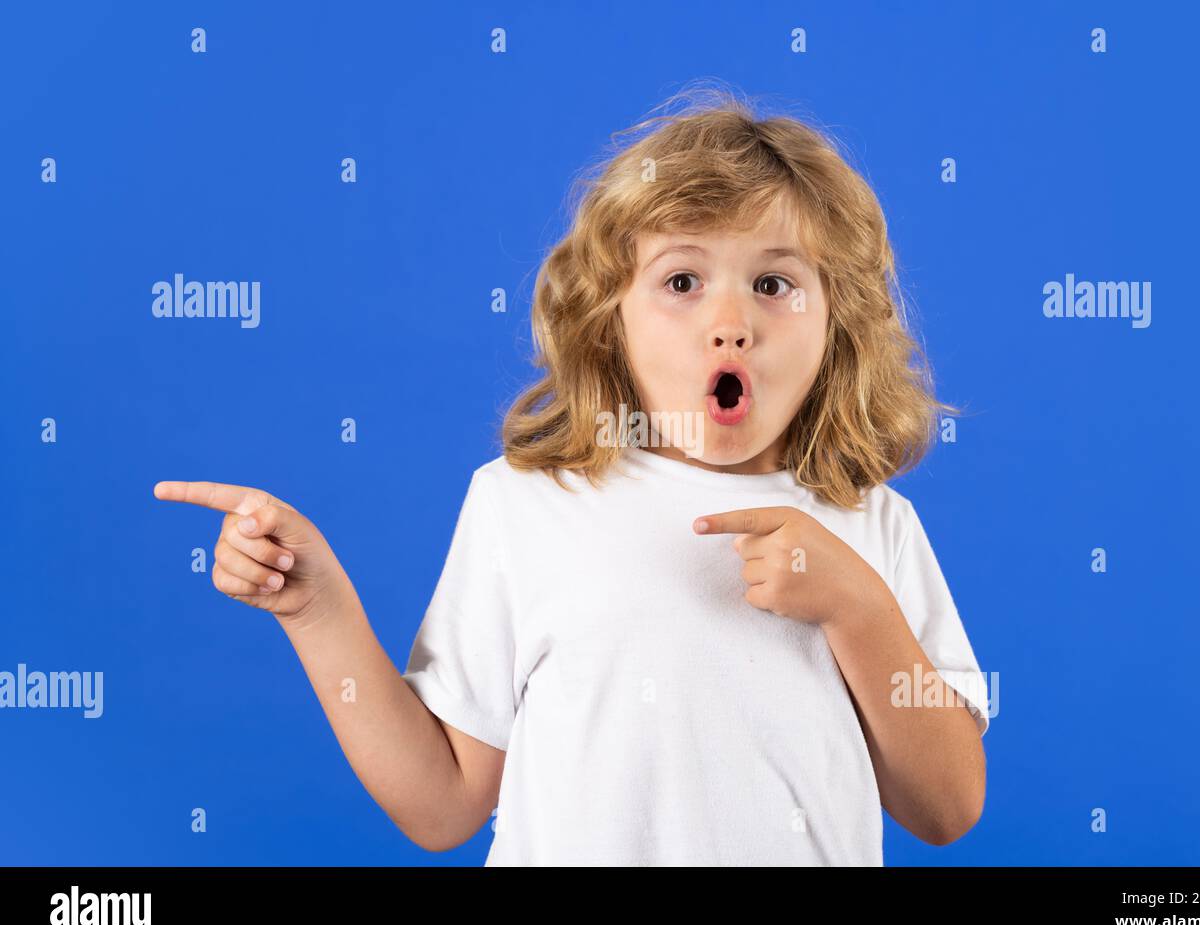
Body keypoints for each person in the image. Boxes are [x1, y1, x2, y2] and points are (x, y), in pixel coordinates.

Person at [154, 85, 990, 866]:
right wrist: (316, 609)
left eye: (775, 283)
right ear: (609, 320)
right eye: (682, 281)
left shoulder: (872, 525)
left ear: (836, 325)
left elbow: (947, 806)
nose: (730, 323)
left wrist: (858, 608)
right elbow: (443, 804)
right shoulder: (524, 504)